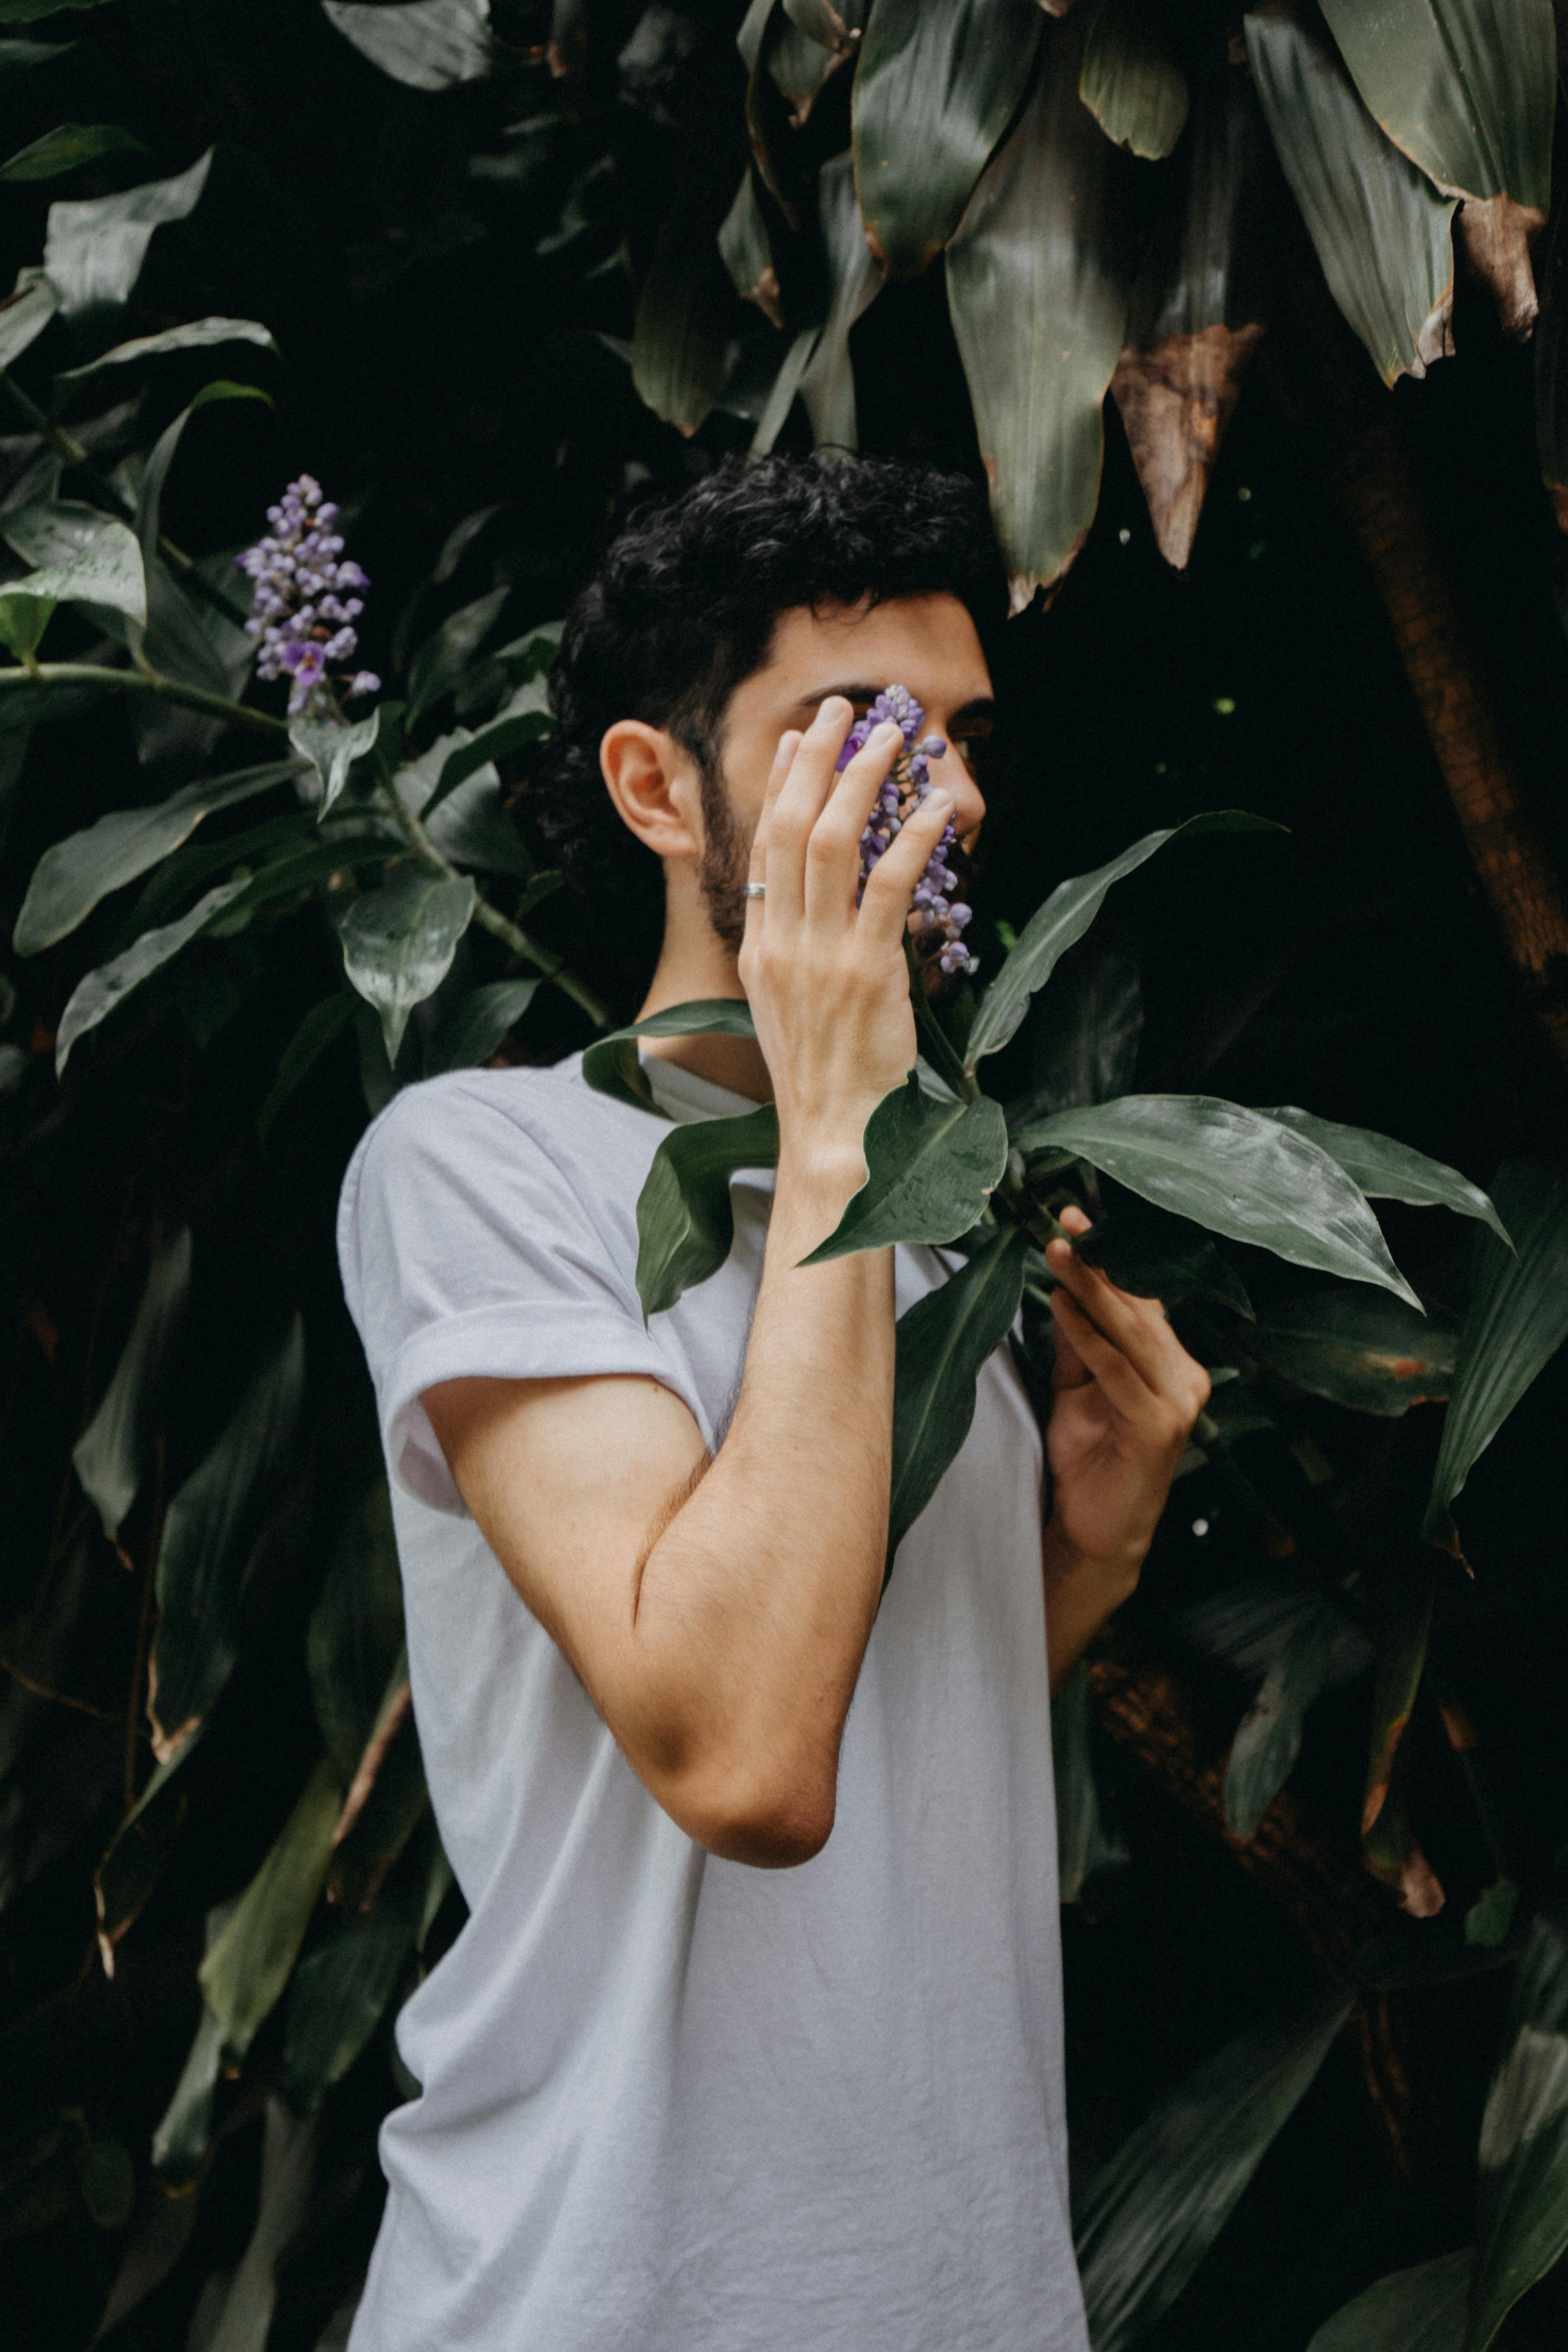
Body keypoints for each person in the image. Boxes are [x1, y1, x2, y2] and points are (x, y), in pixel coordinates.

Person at [337, 455, 1211, 2351]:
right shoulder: (483, 1164)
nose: (951, 797)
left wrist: (1084, 1563)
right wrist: (833, 1131)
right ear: (663, 788)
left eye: (963, 736)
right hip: (603, 2294)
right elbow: (742, 1759)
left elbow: (881, 1758)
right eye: (862, 733)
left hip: (960, 2296)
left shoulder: (934, 1219)